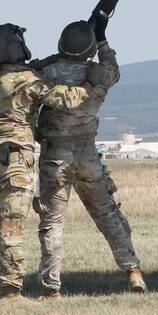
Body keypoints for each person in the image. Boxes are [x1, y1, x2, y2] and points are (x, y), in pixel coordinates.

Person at [0, 23, 113, 303]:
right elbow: (65, 98)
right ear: (11, 48)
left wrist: (50, 61)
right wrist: (90, 83)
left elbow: (31, 68)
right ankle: (10, 290)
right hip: (16, 160)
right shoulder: (26, 80)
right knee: (12, 224)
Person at [32, 19, 145, 297]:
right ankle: (133, 272)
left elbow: (29, 74)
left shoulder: (43, 72)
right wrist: (102, 38)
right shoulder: (100, 73)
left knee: (52, 222)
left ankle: (52, 288)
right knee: (107, 214)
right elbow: (113, 68)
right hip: (87, 154)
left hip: (54, 155)